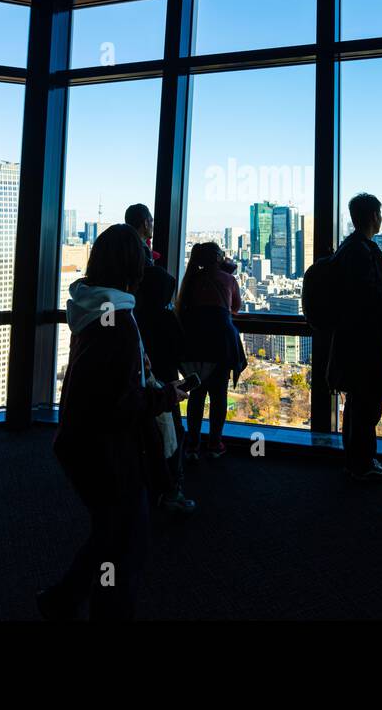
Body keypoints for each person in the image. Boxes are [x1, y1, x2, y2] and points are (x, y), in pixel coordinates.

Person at [41, 223, 190, 620]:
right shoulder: (119, 323)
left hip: (82, 443)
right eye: (143, 255)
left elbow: (105, 388)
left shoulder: (94, 310)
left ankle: (63, 600)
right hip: (108, 452)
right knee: (127, 547)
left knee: (109, 533)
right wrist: (165, 396)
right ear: (132, 266)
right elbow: (122, 402)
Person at [124, 203, 195, 515]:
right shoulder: (160, 316)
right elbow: (178, 345)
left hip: (147, 371)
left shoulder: (126, 315)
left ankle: (149, 488)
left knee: (149, 431)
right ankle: (170, 489)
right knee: (168, 428)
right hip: (158, 373)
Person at [326, 192, 382, 481]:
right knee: (367, 404)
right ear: (373, 216)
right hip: (367, 340)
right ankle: (363, 463)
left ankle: (354, 461)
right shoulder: (366, 251)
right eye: (379, 213)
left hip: (349, 338)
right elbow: (372, 298)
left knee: (356, 401)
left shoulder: (346, 248)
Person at [176, 241, 244, 461]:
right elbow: (236, 307)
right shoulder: (229, 279)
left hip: (195, 342)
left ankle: (192, 446)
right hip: (221, 343)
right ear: (218, 258)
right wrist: (226, 270)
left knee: (196, 394)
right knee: (218, 395)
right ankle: (214, 444)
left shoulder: (191, 280)